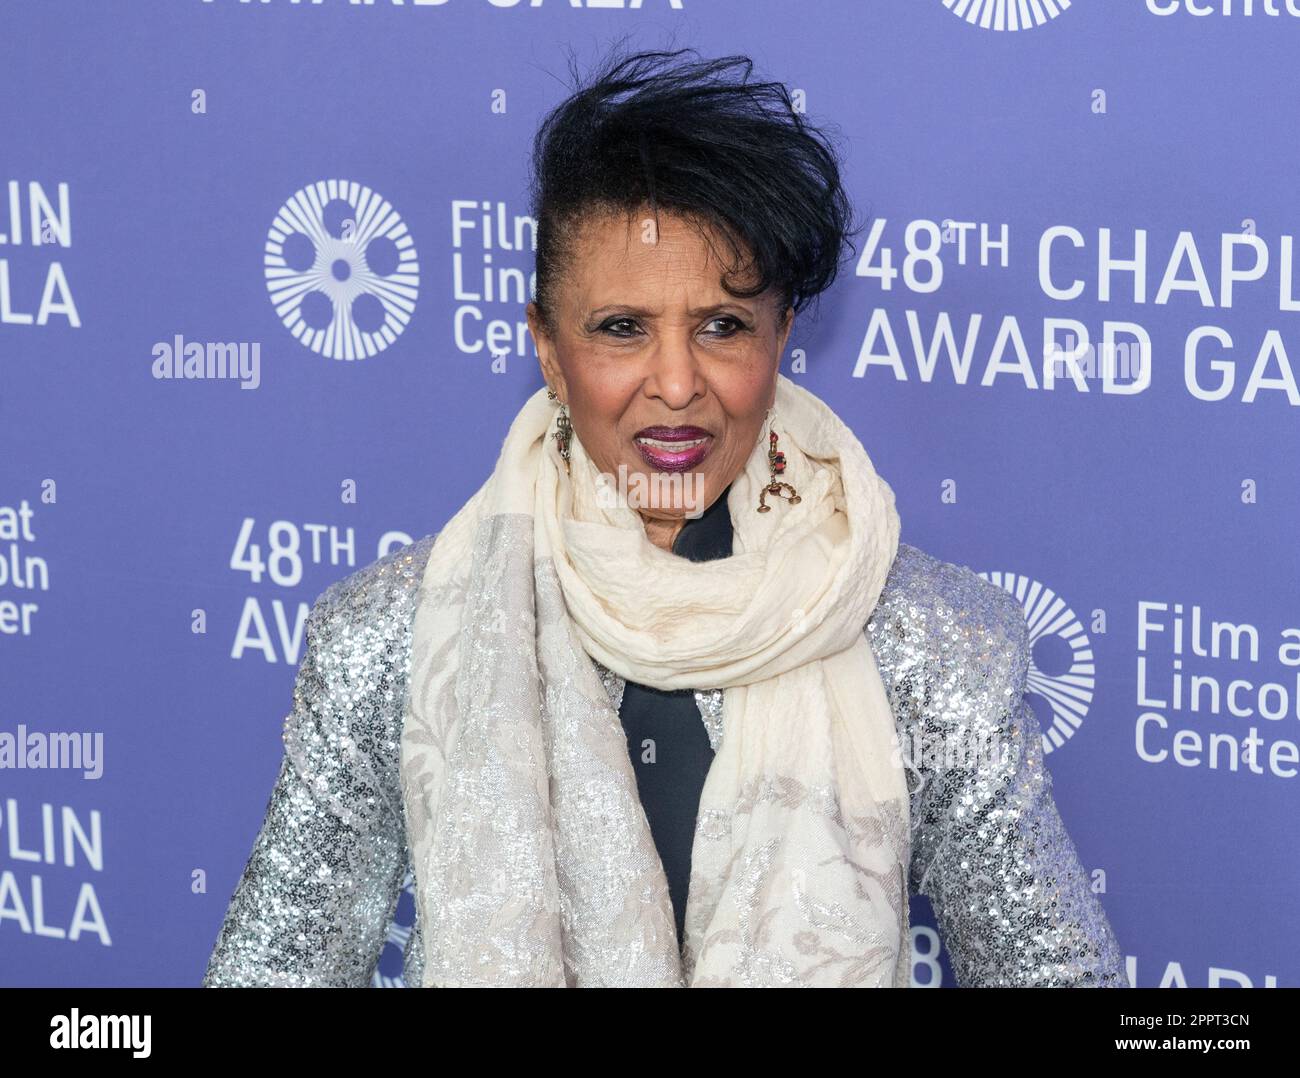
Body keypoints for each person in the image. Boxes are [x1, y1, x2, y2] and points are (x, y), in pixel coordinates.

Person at [202, 46, 1127, 988]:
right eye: (621, 328)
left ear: (781, 339)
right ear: (548, 350)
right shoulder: (391, 639)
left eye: (723, 326)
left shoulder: (924, 642)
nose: (677, 387)